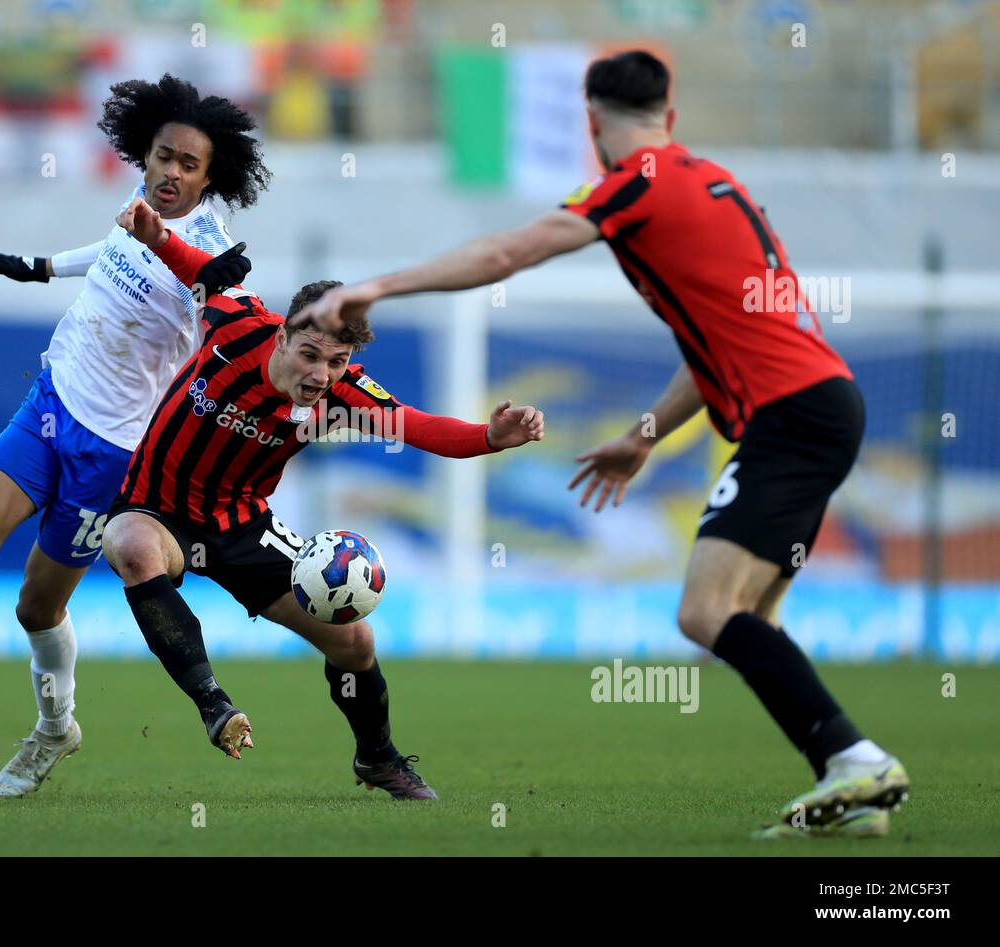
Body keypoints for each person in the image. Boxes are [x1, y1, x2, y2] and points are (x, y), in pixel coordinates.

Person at [292, 50, 907, 835]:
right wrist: (643, 435)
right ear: (671, 116)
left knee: (703, 610)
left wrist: (378, 286)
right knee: (754, 613)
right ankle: (846, 789)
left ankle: (857, 760)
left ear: (590, 124)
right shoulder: (716, 183)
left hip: (789, 417)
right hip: (826, 403)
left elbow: (509, 251)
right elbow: (714, 346)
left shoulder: (635, 184)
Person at [96, 197, 545, 799]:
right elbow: (201, 272)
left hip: (242, 524)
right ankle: (214, 706)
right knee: (127, 543)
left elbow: (419, 428)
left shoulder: (345, 394)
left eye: (336, 362)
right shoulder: (236, 324)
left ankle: (378, 759)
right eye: (310, 355)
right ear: (283, 334)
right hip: (158, 507)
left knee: (354, 640)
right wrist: (156, 237)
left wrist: (491, 437)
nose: (320, 374)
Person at [0, 75, 265, 797]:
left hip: (110, 452)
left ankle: (57, 727)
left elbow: (223, 302)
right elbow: (119, 248)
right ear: (143, 156)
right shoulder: (138, 212)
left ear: (211, 178)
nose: (171, 172)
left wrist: (224, 285)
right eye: (162, 156)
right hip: (50, 401)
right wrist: (39, 267)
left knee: (36, 608)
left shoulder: (208, 249)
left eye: (188, 165)